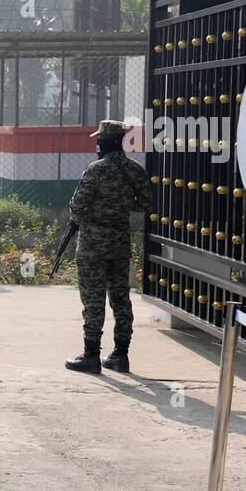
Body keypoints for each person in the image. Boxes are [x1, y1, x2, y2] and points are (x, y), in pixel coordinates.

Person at [64, 119, 150, 374]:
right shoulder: (135, 170)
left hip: (92, 246)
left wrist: (92, 216)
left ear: (105, 141)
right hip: (119, 244)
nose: (97, 143)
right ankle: (120, 355)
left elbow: (77, 206)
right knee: (121, 297)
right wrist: (119, 209)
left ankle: (91, 355)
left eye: (99, 139)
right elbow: (145, 203)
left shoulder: (96, 169)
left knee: (93, 299)